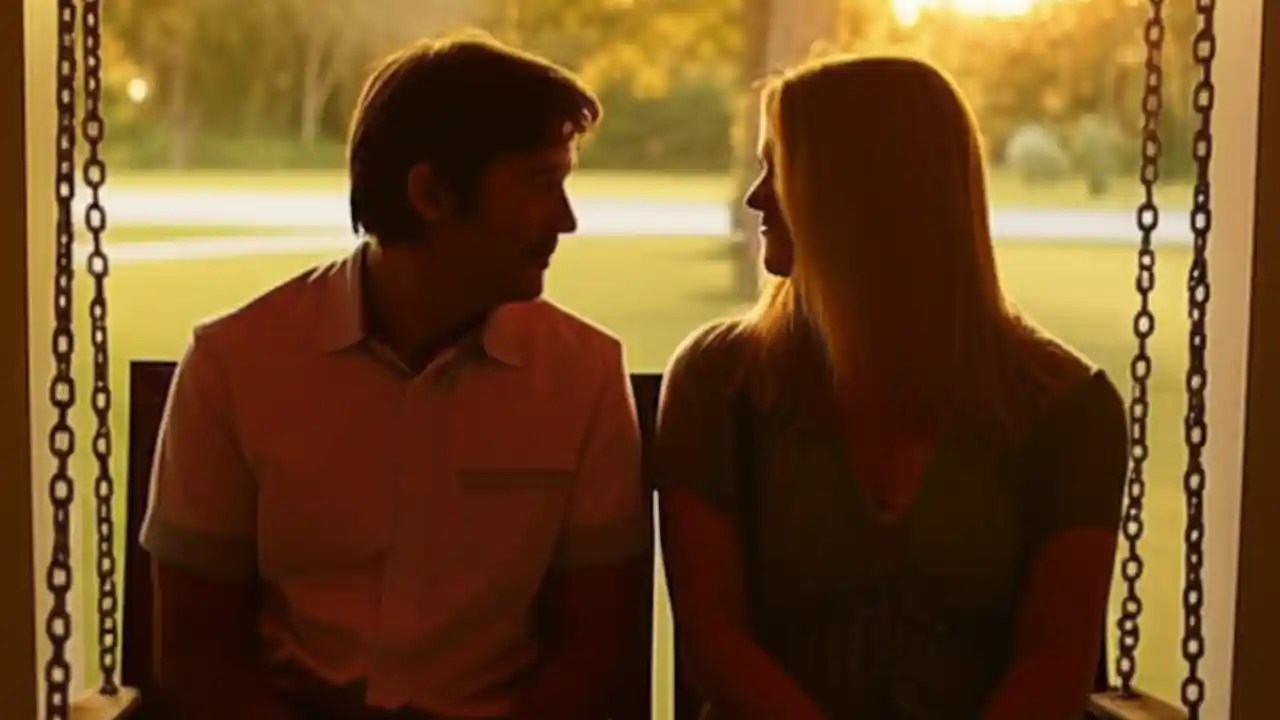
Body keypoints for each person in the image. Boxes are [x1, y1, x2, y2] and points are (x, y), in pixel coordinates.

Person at [142, 34, 650, 720]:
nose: (566, 219)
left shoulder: (583, 376)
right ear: (432, 193)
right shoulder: (236, 364)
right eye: (539, 182)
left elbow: (593, 653)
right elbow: (197, 652)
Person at [656, 55, 1128, 720]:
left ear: (869, 191)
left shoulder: (1066, 409)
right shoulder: (721, 384)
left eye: (779, 168)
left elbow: (1053, 663)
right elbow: (715, 644)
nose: (755, 197)